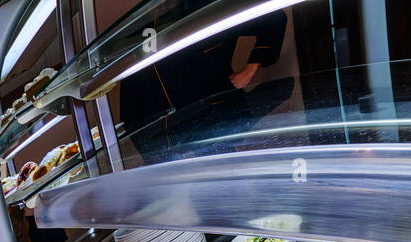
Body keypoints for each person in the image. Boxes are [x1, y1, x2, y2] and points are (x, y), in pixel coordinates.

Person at [118, 7, 290, 161]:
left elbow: (273, 19)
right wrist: (150, 153)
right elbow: (131, 104)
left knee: (226, 180)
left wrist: (249, 70)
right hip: (169, 143)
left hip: (214, 123)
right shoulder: (141, 30)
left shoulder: (210, 9)